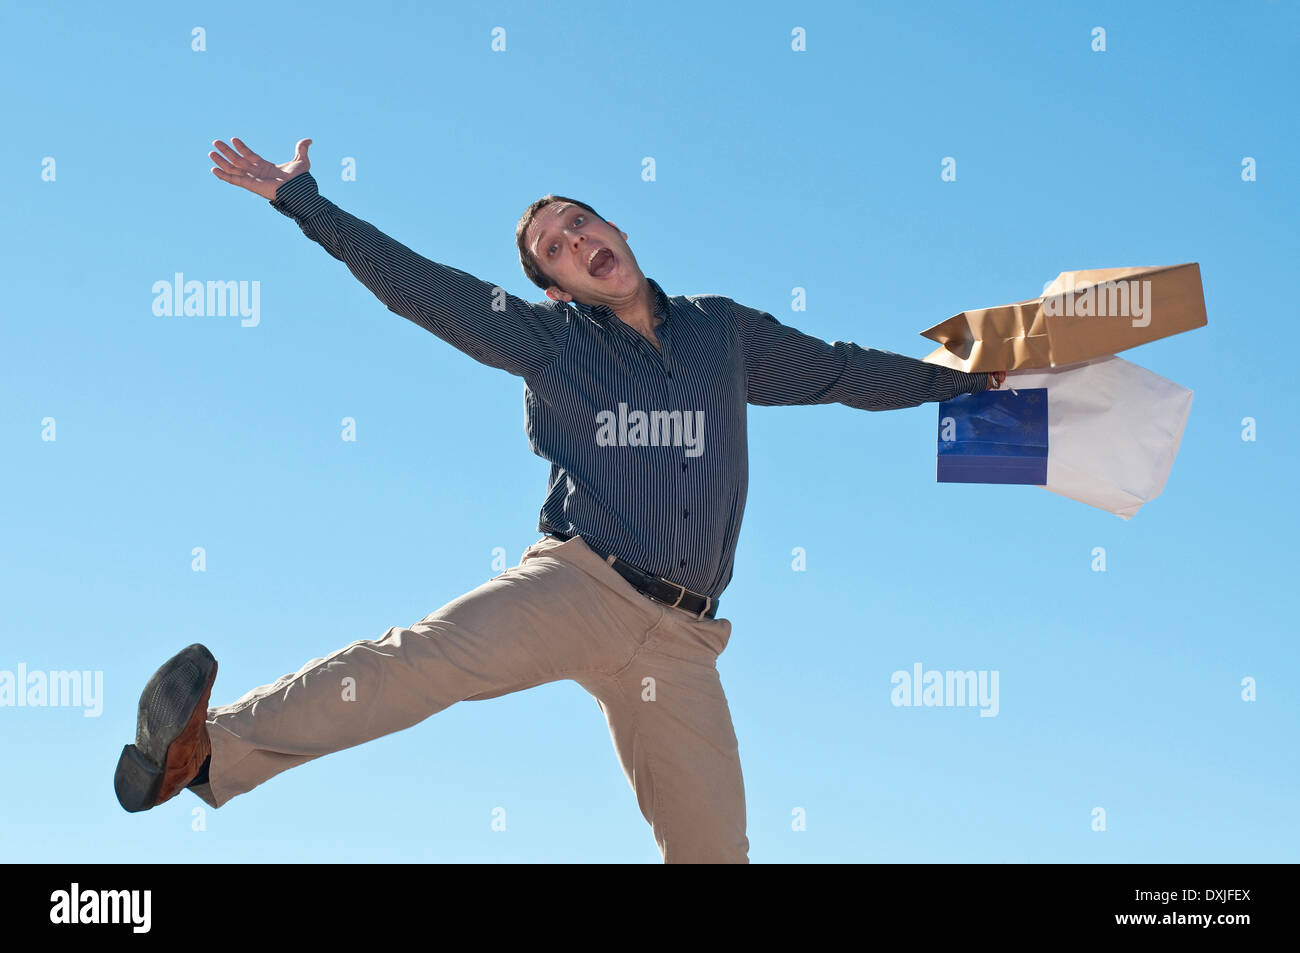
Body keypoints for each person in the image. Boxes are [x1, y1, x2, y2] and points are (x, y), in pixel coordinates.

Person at [113, 137, 1007, 863]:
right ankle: (207, 752)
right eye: (556, 247)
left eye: (581, 223)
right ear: (554, 286)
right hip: (578, 586)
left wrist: (959, 385)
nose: (578, 242)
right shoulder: (547, 343)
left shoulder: (722, 333)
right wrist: (304, 202)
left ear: (615, 225)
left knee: (716, 852)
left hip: (686, 639)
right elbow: (422, 289)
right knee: (422, 660)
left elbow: (842, 371)